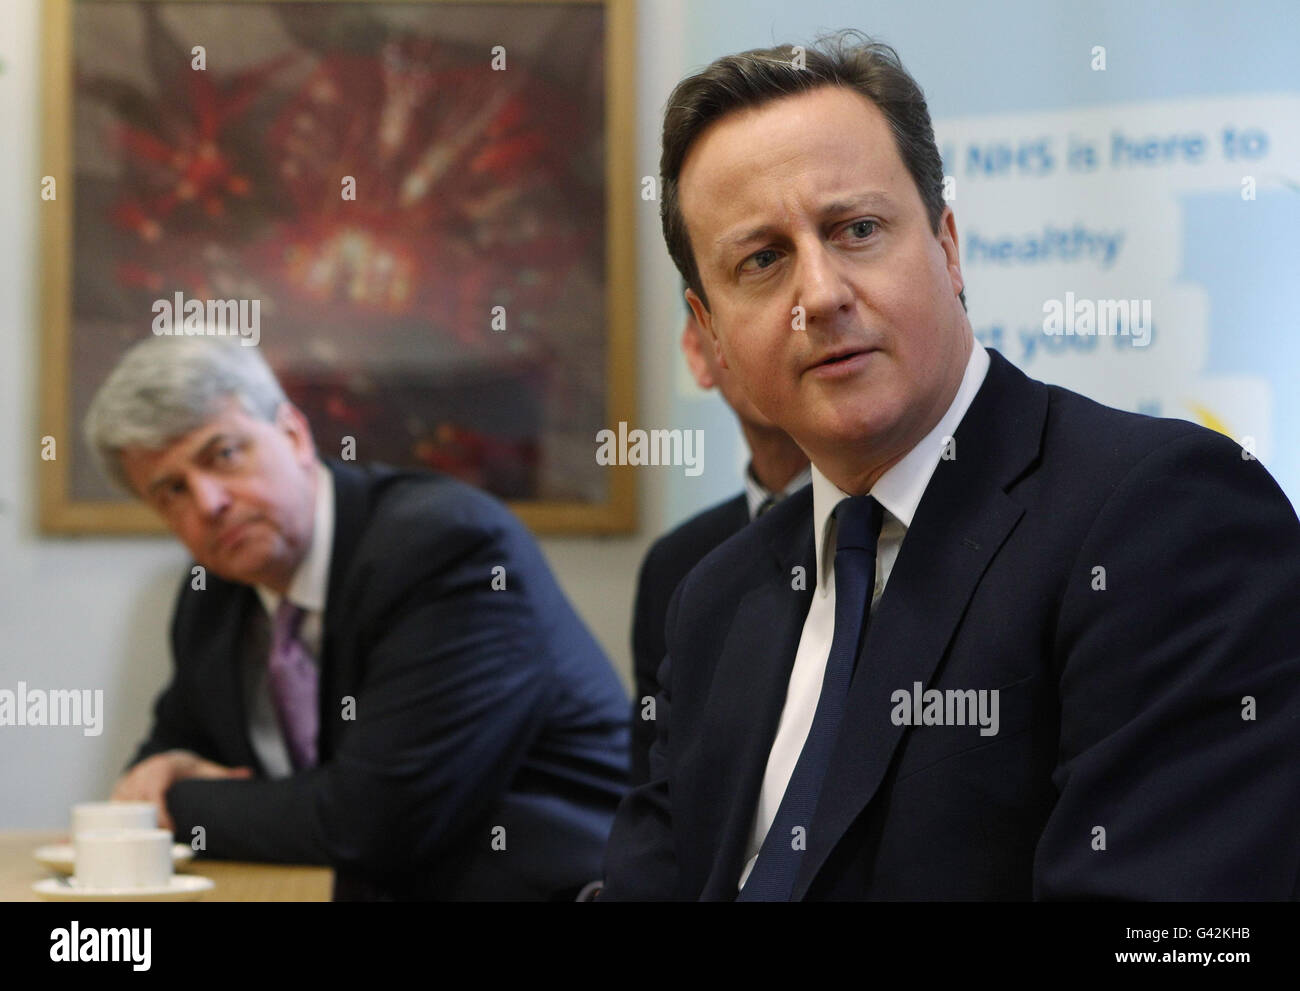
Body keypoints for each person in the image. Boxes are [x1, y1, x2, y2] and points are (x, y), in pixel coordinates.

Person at [602, 32, 1300, 900]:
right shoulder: (714, 597)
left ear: (948, 246)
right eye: (763, 259)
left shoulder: (1165, 515)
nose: (819, 295)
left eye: (856, 229)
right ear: (710, 333)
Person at [86, 336, 629, 900]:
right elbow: (162, 760)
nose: (209, 503)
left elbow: (374, 823)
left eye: (223, 455)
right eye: (172, 489)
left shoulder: (447, 547)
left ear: (293, 434)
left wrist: (180, 799)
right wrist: (168, 773)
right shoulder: (214, 596)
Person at [629, 296, 809, 786]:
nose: (780, 328)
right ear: (696, 349)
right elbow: (653, 791)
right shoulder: (676, 563)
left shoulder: (909, 526)